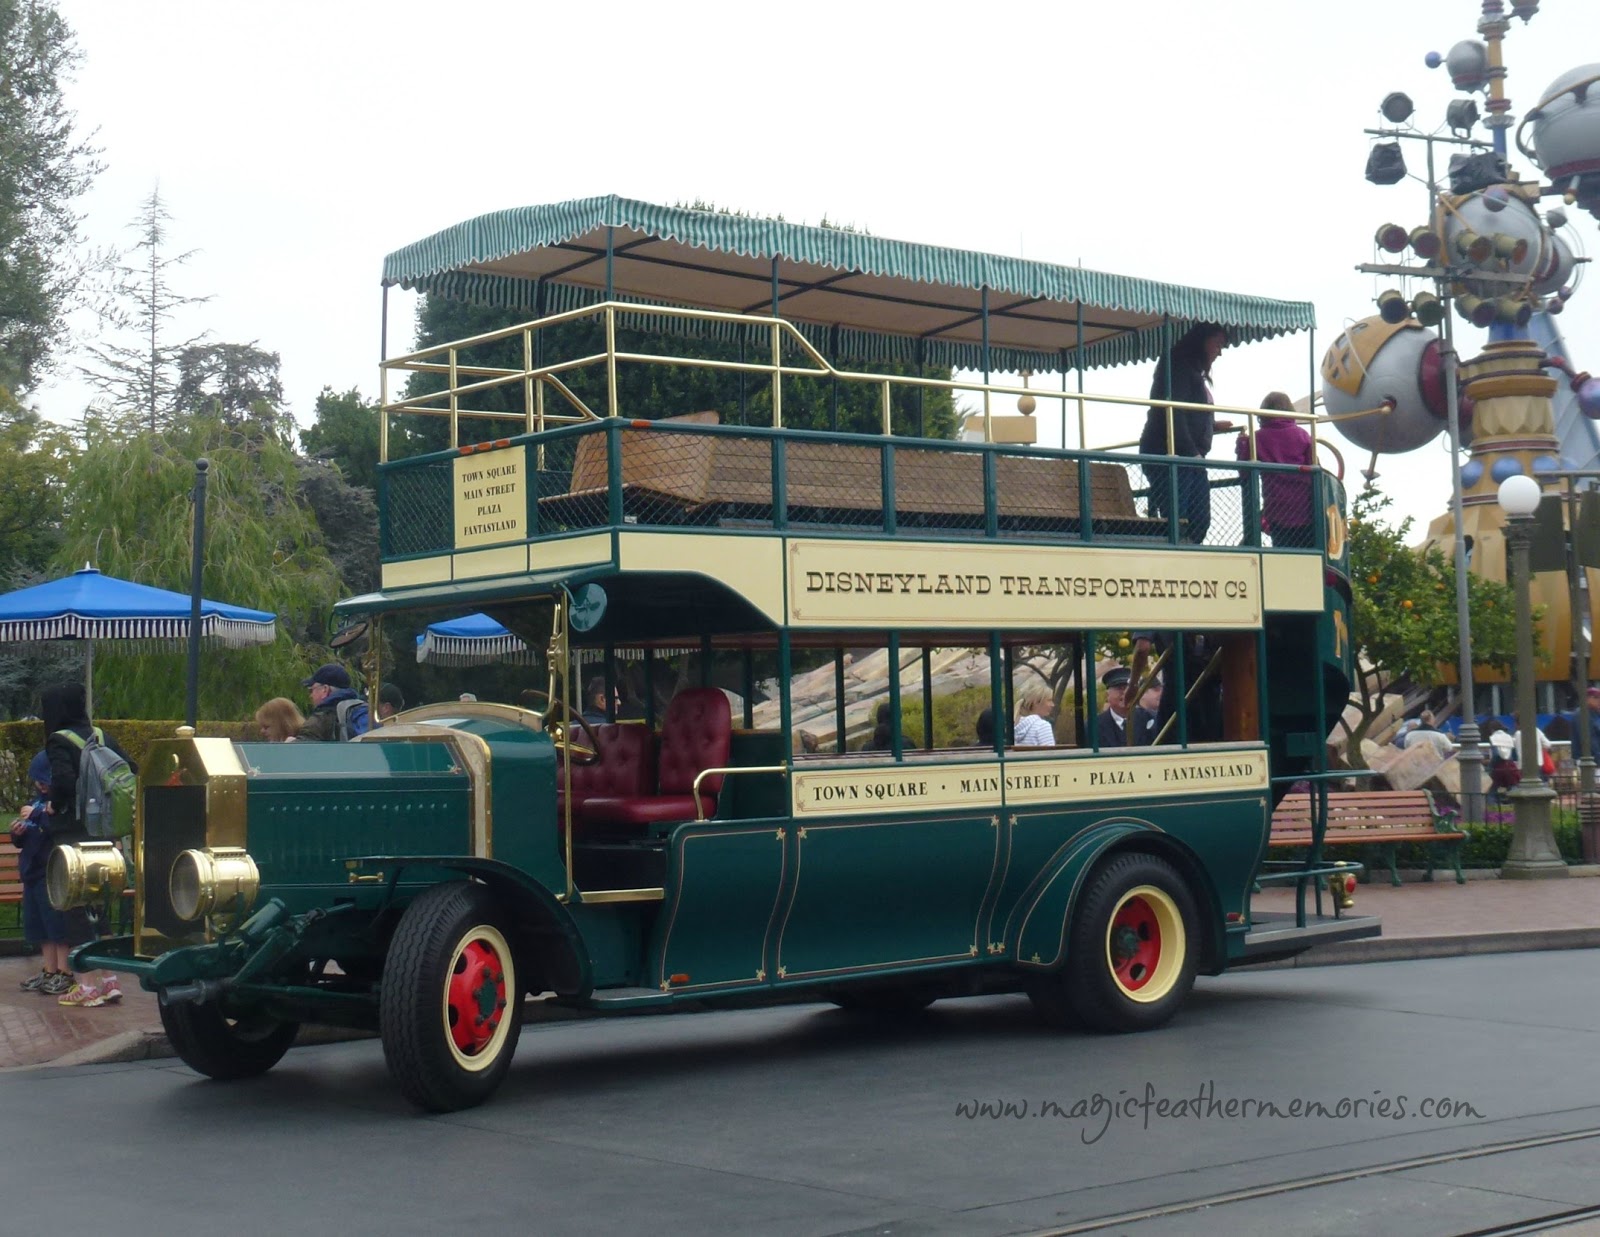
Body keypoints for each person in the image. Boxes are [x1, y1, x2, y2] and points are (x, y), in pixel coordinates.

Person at [41, 682, 135, 1007]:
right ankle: (110, 979)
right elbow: (130, 769)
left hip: (72, 834)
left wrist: (54, 804)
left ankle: (86, 985)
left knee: (74, 904)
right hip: (102, 832)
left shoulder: (58, 740)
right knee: (98, 902)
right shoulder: (101, 735)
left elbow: (63, 781)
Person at [1139, 322, 1230, 544]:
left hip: (1188, 456)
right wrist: (1191, 452)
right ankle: (1176, 553)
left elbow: (1186, 411)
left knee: (1198, 518)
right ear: (1203, 340)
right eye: (1217, 344)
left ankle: (1187, 551)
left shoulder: (1190, 367)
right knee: (1179, 518)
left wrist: (1211, 425)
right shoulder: (1178, 364)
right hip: (1170, 452)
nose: (1219, 352)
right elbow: (1173, 412)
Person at [11, 751, 74, 996]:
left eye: (44, 780)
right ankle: (49, 970)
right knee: (39, 926)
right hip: (32, 872)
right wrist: (18, 833)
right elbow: (28, 836)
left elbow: (57, 828)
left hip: (51, 872)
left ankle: (64, 971)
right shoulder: (36, 802)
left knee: (56, 925)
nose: (40, 785)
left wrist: (36, 815)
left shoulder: (57, 805)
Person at [1236, 391, 1315, 547]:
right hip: (1305, 505)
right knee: (1309, 551)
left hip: (1276, 507)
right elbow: (1314, 466)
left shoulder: (1257, 438)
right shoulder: (1302, 435)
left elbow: (1244, 471)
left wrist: (1242, 445)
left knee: (1282, 551)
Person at [298, 663, 370, 742]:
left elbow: (303, 744)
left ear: (325, 689)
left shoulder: (323, 716)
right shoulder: (363, 710)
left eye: (311, 690)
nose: (311, 695)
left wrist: (292, 742)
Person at [1094, 667, 1137, 748]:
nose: (1125, 693)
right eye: (1120, 689)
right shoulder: (1093, 727)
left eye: (1129, 688)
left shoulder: (1149, 719)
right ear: (1107, 695)